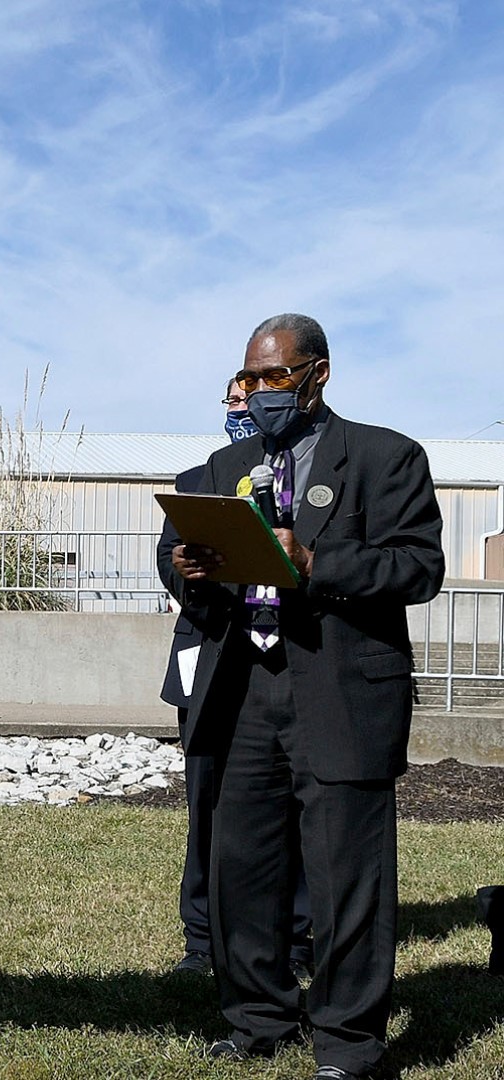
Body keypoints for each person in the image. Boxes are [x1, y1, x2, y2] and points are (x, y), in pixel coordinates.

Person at [162, 313, 444, 1080]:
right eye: (249, 379)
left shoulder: (387, 458)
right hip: (242, 688)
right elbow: (172, 552)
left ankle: (349, 1043)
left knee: (344, 872)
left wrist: (315, 558)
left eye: (274, 377)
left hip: (339, 691)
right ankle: (257, 1019)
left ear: (318, 374)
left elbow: (418, 568)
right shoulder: (224, 467)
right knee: (241, 867)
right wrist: (185, 563)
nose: (258, 392)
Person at [161, 381, 312, 977]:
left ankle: (296, 940)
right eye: (234, 397)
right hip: (212, 664)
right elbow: (170, 559)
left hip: (291, 667)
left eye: (257, 390)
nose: (243, 406)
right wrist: (189, 573)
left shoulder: (312, 476)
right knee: (208, 807)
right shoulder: (200, 478)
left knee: (295, 811)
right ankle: (203, 940)